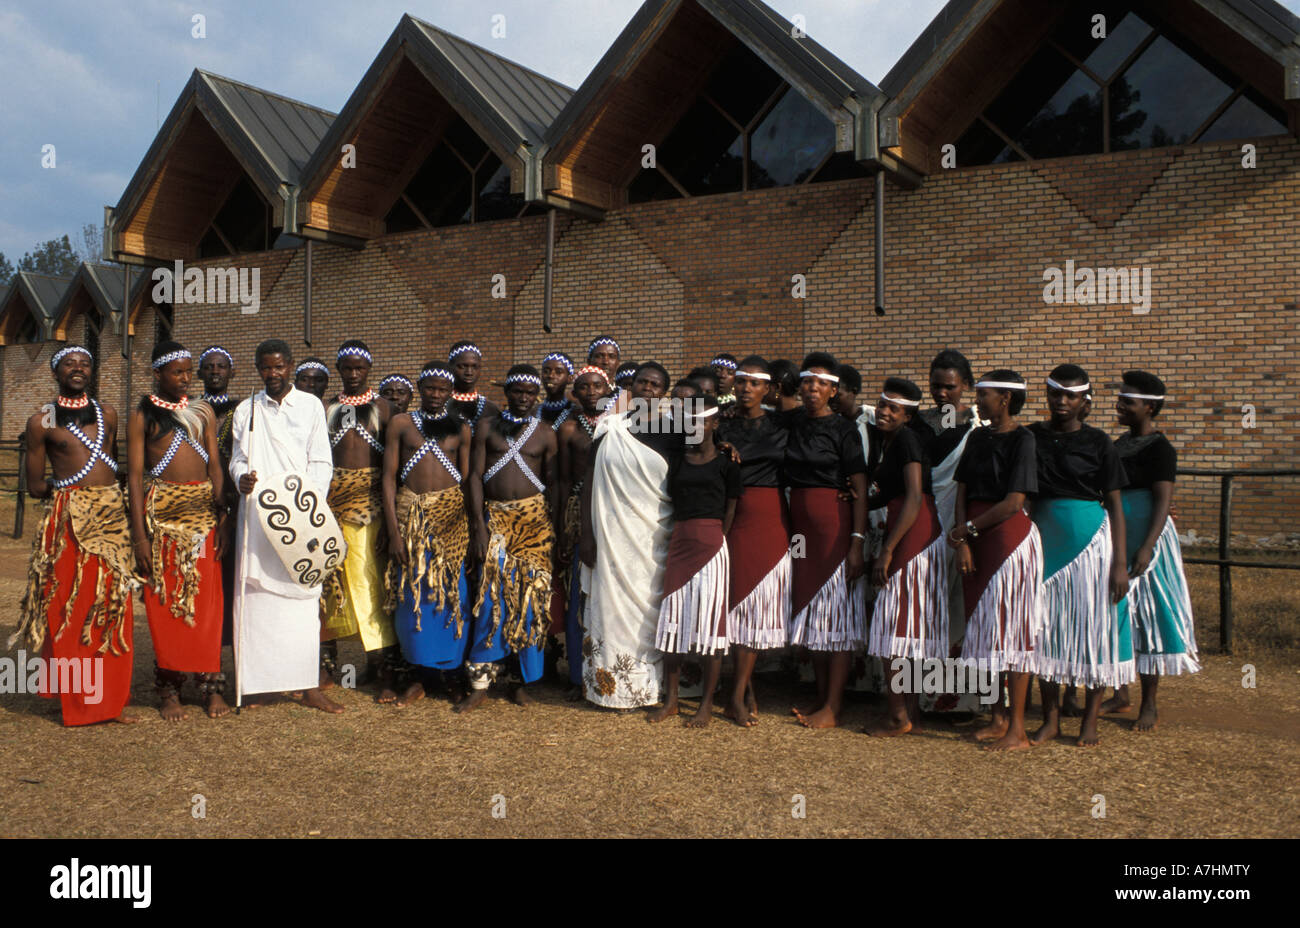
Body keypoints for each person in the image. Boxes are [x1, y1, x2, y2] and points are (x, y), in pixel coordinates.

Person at [14, 345, 136, 726]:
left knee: (112, 605)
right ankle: (78, 702)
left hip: (111, 519)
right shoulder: (41, 422)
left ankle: (110, 702)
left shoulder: (109, 414)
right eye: (70, 363)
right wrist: (68, 494)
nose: (78, 368)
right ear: (56, 372)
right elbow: (35, 485)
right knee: (70, 605)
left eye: (84, 363)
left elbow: (111, 464)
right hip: (66, 521)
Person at [229, 338, 342, 713]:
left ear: (290, 366)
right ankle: (259, 686)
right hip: (259, 521)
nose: (272, 373)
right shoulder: (247, 409)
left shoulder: (311, 406)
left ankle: (307, 685)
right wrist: (241, 477)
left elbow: (321, 462)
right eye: (265, 367)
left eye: (278, 367)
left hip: (301, 519)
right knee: (258, 602)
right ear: (258, 368)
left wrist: (303, 506)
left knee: (303, 603)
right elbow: (237, 459)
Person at [1028, 365, 1132, 747]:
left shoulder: (1099, 442)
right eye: (1056, 393)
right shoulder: (1031, 437)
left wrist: (1119, 562)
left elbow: (1116, 505)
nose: (1062, 401)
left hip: (1090, 545)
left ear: (1084, 401)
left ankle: (1090, 719)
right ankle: (1051, 718)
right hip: (1042, 543)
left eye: (1071, 395)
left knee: (1095, 628)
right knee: (1045, 629)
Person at [127, 342, 230, 720]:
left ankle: (210, 684)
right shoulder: (143, 414)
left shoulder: (204, 411)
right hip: (163, 522)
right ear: (158, 374)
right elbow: (135, 478)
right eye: (178, 372)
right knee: (166, 603)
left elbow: (215, 468)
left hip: (203, 519)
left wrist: (223, 518)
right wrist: (140, 537)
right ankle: (169, 687)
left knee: (206, 604)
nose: (186, 377)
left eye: (189, 371)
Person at [949, 369, 1043, 751]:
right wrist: (963, 539)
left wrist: (966, 531)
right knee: (986, 629)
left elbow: (1014, 503)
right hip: (976, 538)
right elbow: (962, 490)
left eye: (984, 394)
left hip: (1008, 541)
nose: (978, 401)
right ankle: (996, 717)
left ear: (1005, 400)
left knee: (1013, 632)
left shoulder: (1024, 440)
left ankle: (1017, 728)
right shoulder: (977, 437)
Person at [1103, 371, 1198, 730]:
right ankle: (1120, 691)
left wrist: (1148, 546)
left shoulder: (1161, 449)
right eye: (1121, 398)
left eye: (1128, 401)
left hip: (1146, 540)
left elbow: (1163, 501)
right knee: (1119, 611)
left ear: (1149, 407)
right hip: (1118, 536)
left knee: (1148, 616)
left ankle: (1150, 702)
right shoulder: (1117, 445)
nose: (1121, 405)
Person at [579, 361, 675, 708]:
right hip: (609, 535)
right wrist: (586, 534)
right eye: (642, 383)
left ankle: (647, 687)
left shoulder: (673, 431)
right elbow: (590, 482)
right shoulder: (610, 427)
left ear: (664, 393)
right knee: (609, 610)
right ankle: (607, 690)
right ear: (631, 388)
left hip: (651, 539)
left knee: (648, 610)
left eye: (656, 384)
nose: (648, 389)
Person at [462, 365, 558, 710]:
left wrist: (555, 528)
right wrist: (478, 526)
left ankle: (519, 681)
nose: (523, 398)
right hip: (495, 520)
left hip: (534, 525)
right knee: (491, 600)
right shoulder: (486, 427)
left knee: (529, 602)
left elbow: (554, 484)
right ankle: (481, 681)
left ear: (537, 397)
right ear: (507, 392)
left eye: (529, 393)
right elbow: (473, 477)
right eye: (517, 391)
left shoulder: (546, 433)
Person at [383, 363, 473, 707]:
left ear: (451, 393)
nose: (435, 395)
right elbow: (389, 478)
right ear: (420, 388)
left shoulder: (461, 429)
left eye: (442, 390)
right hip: (411, 521)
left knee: (451, 595)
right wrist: (393, 532)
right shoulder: (401, 424)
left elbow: (466, 482)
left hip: (450, 522)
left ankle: (449, 674)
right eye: (430, 389)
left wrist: (468, 527)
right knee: (413, 597)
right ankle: (418, 675)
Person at [786, 354, 868, 729]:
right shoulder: (790, 423)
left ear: (834, 390)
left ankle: (834, 707)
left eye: (821, 383)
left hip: (835, 527)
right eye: (807, 381)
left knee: (836, 615)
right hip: (800, 531)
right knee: (812, 610)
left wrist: (856, 541)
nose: (812, 388)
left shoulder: (844, 429)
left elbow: (860, 488)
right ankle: (821, 696)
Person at [864, 378, 948, 736]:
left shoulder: (908, 440)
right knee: (908, 624)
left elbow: (914, 496)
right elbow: (894, 494)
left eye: (893, 408)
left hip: (912, 532)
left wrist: (887, 549)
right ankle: (908, 709)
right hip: (910, 526)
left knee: (895, 623)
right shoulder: (892, 440)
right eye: (882, 404)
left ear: (909, 415)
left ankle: (899, 714)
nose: (884, 412)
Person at [651, 393, 741, 726]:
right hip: (680, 543)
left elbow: (732, 507)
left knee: (710, 626)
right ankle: (672, 700)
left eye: (702, 419)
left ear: (715, 423)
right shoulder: (677, 458)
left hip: (712, 546)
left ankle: (705, 705)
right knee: (672, 621)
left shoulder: (727, 462)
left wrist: (717, 540)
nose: (695, 425)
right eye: (690, 419)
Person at [320, 341, 399, 698]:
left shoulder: (385, 409)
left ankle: (381, 668)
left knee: (370, 584)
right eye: (347, 369)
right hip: (332, 504)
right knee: (329, 584)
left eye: (359, 369)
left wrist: (391, 518)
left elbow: (392, 470)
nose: (353, 375)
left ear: (369, 369)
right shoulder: (325, 409)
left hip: (372, 508)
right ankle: (326, 665)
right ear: (339, 370)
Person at [717, 356, 790, 726]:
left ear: (768, 388)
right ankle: (740, 688)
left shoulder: (782, 423)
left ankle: (740, 691)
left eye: (754, 383)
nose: (745, 388)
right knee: (731, 601)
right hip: (731, 513)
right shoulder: (720, 424)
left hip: (770, 518)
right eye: (740, 381)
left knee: (754, 604)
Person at [916, 349, 983, 712]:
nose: (942, 394)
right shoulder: (917, 424)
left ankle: (960, 700)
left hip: (962, 530)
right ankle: (921, 695)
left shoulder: (978, 429)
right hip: (922, 525)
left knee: (959, 606)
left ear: (967, 386)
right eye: (936, 386)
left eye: (950, 387)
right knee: (925, 605)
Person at [554, 365, 607, 696]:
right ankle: (577, 675)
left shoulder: (621, 423)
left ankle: (605, 667)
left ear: (607, 388)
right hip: (577, 516)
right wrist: (561, 525)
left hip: (612, 514)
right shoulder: (569, 428)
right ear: (574, 393)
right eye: (584, 387)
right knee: (578, 596)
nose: (591, 392)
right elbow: (560, 479)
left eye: (597, 386)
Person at [198, 345, 240, 650]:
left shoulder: (244, 410)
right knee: (204, 574)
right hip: (200, 506)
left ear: (231, 372)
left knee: (235, 577)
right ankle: (205, 644)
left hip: (237, 504)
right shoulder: (190, 410)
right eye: (209, 367)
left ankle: (236, 643)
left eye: (221, 366)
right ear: (200, 373)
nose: (215, 372)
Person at [447, 340, 500, 432]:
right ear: (450, 367)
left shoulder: (490, 409)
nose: (469, 372)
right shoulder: (440, 406)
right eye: (463, 366)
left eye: (475, 367)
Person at [540, 352, 575, 428]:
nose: (551, 376)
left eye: (558, 372)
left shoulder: (575, 413)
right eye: (546, 371)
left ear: (570, 378)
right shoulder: (534, 412)